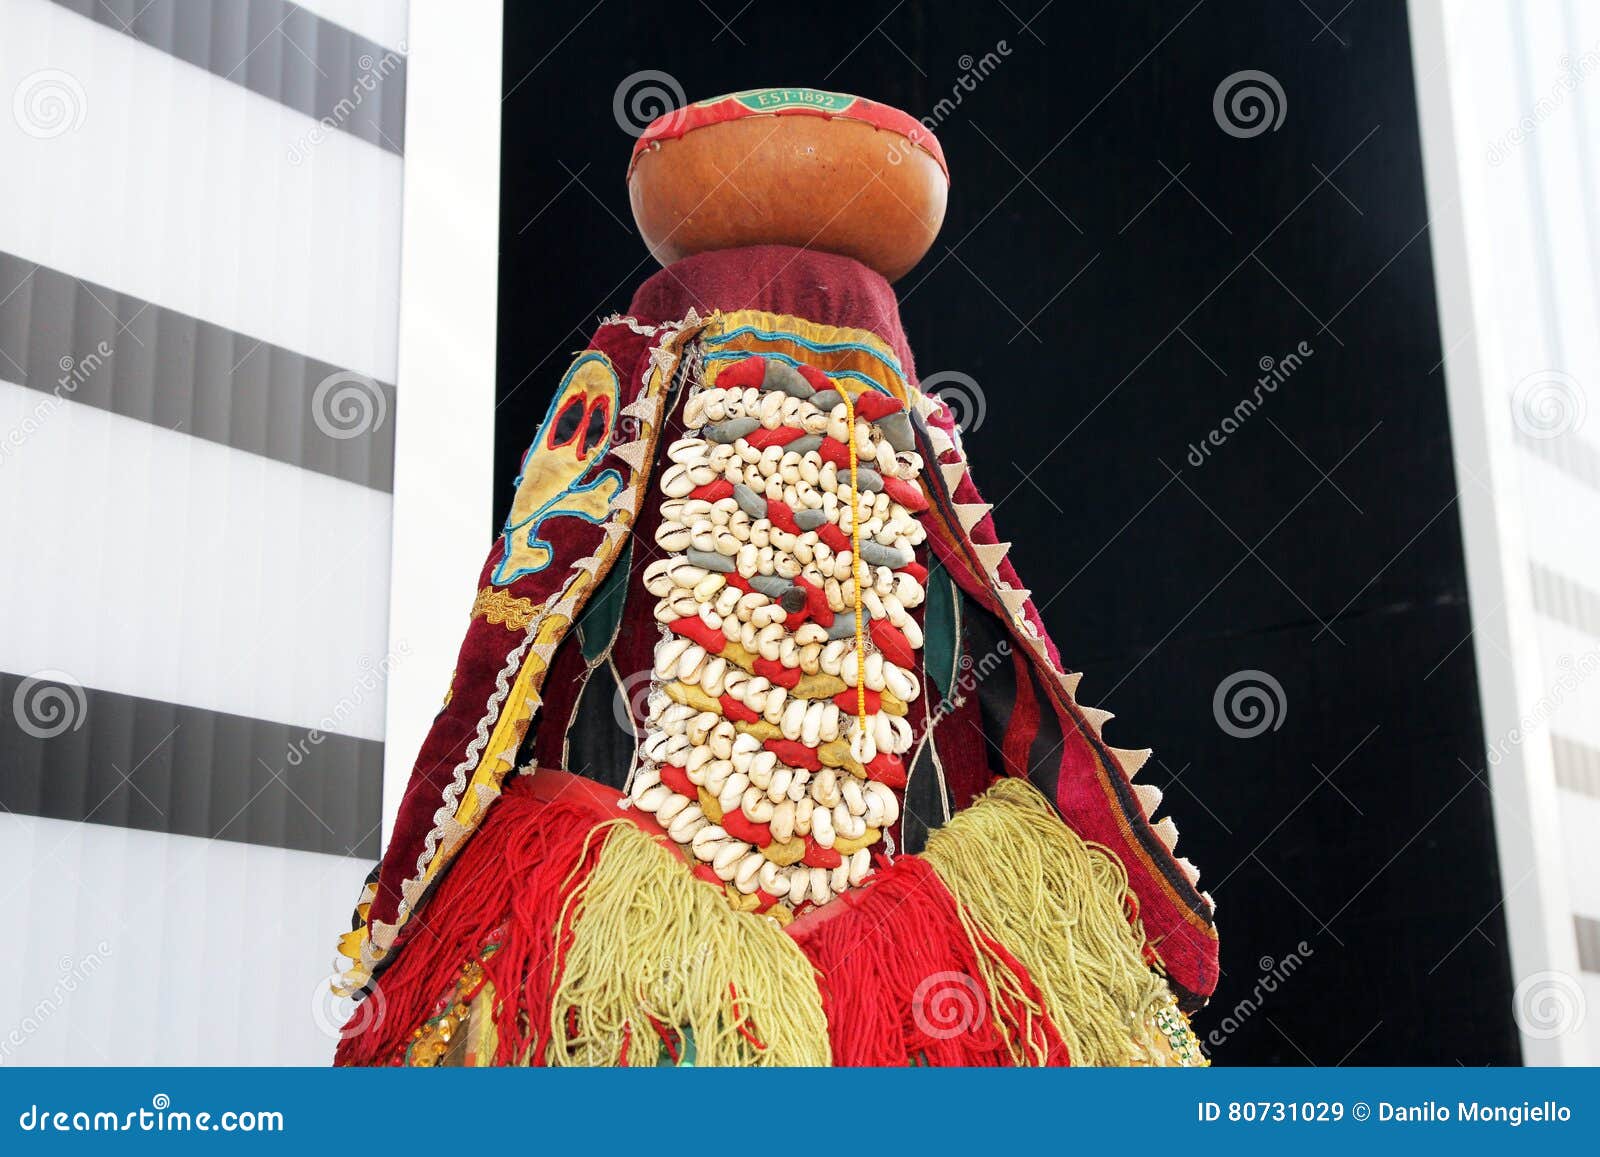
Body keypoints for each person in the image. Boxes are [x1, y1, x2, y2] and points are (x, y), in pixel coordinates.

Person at [332, 88, 1217, 1067]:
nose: (796, 380)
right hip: (630, 907)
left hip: (896, 902)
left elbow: (501, 668)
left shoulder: (875, 471)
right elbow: (512, 664)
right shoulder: (641, 443)